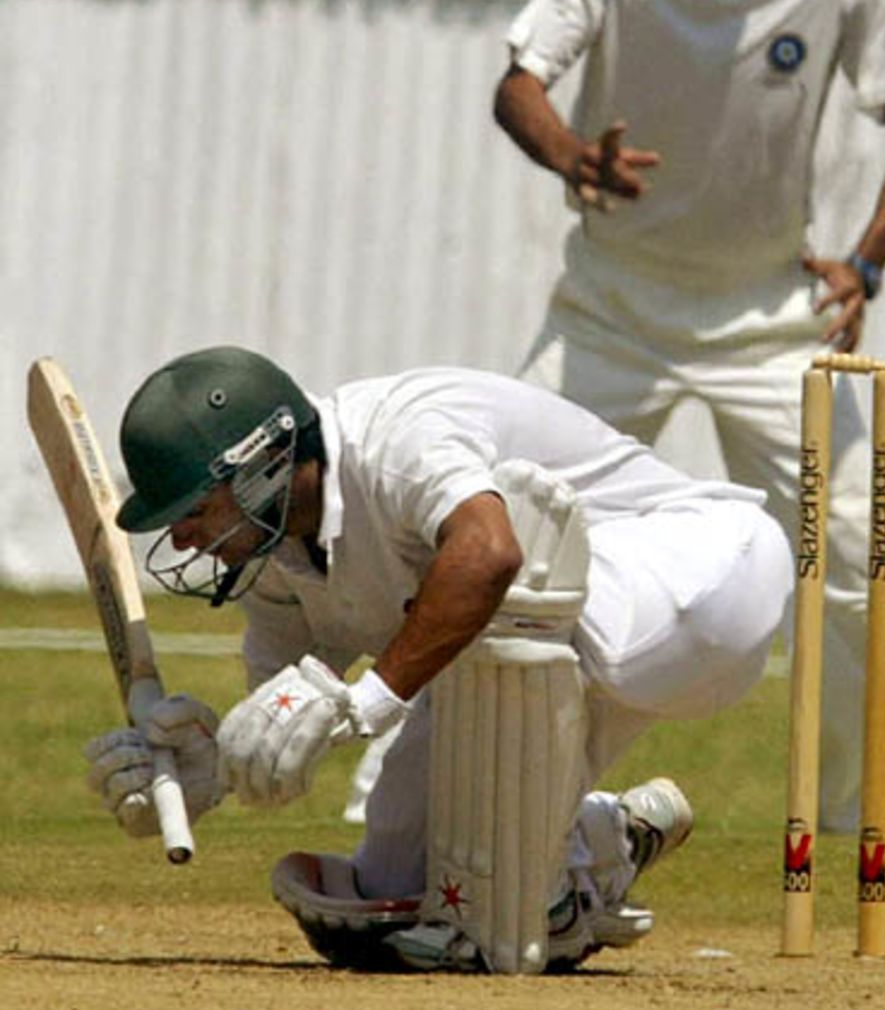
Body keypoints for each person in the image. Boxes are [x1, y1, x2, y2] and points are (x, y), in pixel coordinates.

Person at [492, 0, 885, 834]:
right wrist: (571, 158)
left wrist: (867, 258)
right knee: (501, 528)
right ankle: (418, 784)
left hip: (768, 318)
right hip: (613, 299)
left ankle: (851, 807)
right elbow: (519, 84)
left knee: (844, 551)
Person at [83, 345, 790, 972]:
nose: (180, 544)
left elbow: (490, 554)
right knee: (399, 883)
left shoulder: (397, 438)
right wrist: (213, 767)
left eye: (193, 514)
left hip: (703, 577)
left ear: (261, 464)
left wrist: (365, 705)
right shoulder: (274, 563)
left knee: (510, 584)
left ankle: (534, 887)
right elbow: (289, 714)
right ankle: (596, 853)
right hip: (561, 639)